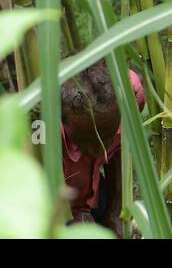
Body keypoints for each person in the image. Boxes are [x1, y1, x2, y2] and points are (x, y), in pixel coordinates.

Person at [59, 60, 145, 237]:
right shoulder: (44, 133)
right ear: (64, 121)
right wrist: (76, 215)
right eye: (86, 140)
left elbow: (121, 147)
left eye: (108, 136)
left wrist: (116, 208)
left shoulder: (131, 96)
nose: (100, 151)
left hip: (96, 187)